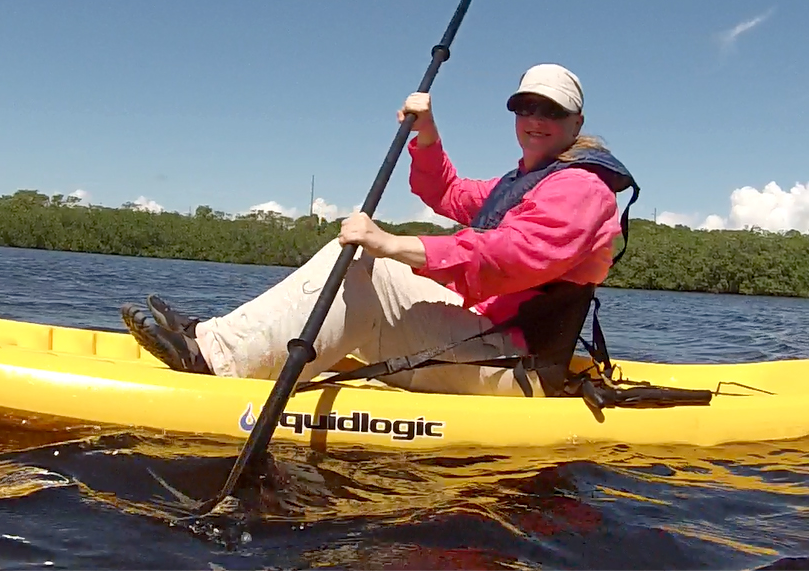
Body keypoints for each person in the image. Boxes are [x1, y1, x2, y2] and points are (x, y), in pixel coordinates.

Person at [120, 63, 638, 398]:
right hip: (489, 336)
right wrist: (427, 135)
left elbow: (508, 256)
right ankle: (212, 338)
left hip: (518, 365)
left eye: (551, 110)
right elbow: (451, 195)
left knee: (369, 264)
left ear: (576, 122)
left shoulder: (582, 190)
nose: (535, 118)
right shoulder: (524, 181)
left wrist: (391, 243)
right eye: (526, 107)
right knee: (361, 256)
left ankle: (213, 362)